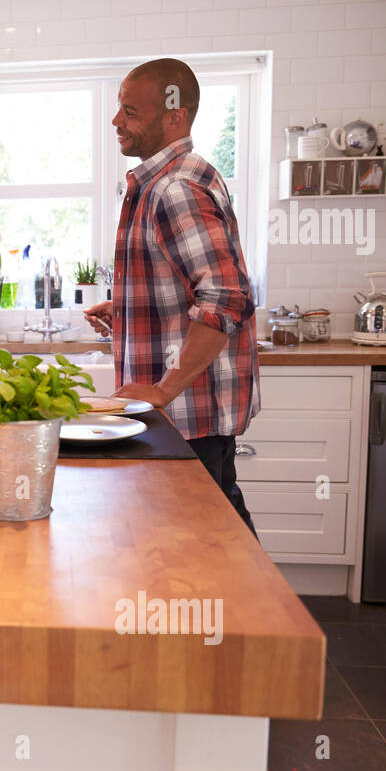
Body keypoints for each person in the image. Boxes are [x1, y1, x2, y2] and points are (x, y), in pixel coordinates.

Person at [85, 58, 260, 534]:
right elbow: (195, 286)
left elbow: (225, 298)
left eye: (130, 111)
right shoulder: (169, 179)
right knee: (211, 542)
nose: (117, 121)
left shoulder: (175, 187)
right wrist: (130, 311)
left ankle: (262, 611)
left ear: (174, 116)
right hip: (189, 413)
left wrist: (163, 389)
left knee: (205, 549)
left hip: (186, 412)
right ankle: (259, 608)